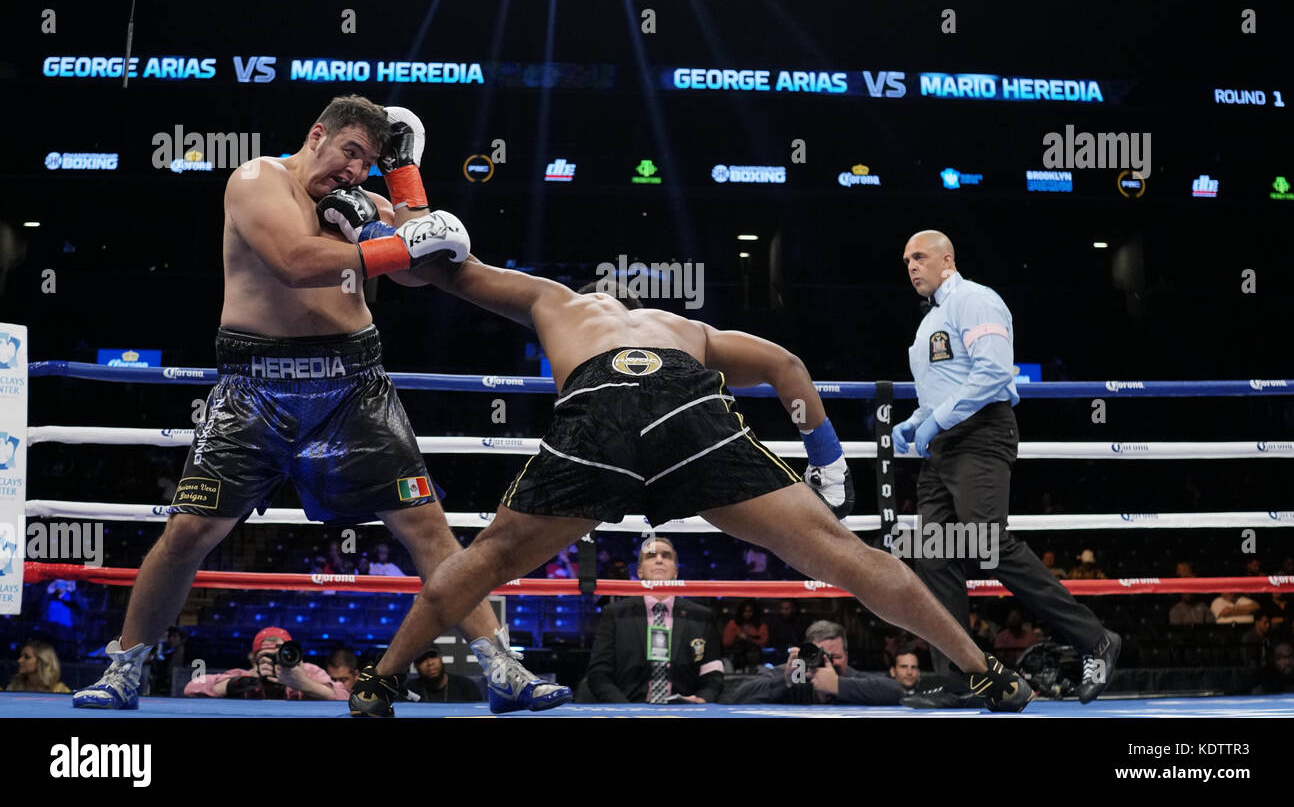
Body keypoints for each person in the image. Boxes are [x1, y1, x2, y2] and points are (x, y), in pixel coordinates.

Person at [332, 247, 1031, 715]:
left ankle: (379, 681)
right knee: (844, 555)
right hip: (686, 397)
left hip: (597, 404)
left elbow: (448, 270)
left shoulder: (555, 302)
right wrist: (829, 464)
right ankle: (985, 672)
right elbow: (789, 365)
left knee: (485, 559)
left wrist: (383, 234)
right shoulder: (686, 325)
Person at [72, 96, 567, 714]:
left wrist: (405, 180)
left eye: (369, 163)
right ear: (317, 135)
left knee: (429, 530)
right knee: (188, 533)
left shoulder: (365, 201)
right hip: (254, 388)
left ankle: (503, 670)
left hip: (353, 386)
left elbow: (424, 269)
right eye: (351, 153)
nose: (355, 172)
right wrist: (390, 246)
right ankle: (124, 669)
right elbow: (293, 261)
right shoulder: (258, 179)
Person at [890, 230, 1119, 706]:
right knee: (935, 555)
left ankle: (1094, 639)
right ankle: (964, 679)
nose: (911, 266)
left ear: (947, 259)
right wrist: (913, 422)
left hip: (979, 435)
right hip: (943, 445)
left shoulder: (976, 300)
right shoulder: (927, 323)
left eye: (919, 256)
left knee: (987, 543)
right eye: (906, 260)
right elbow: (940, 392)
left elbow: (994, 372)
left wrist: (933, 421)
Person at [585, 536, 724, 704]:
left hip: (685, 711)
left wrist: (700, 701)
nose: (659, 560)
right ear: (639, 571)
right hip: (628, 709)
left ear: (676, 571)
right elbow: (598, 673)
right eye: (651, 556)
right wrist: (624, 710)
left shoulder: (701, 616)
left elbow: (713, 675)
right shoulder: (615, 614)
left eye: (666, 556)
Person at [732, 620, 904, 705]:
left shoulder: (850, 676)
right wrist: (784, 681)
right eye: (820, 656)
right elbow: (740, 695)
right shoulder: (796, 675)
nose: (827, 662)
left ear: (846, 656)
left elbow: (896, 691)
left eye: (835, 656)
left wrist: (837, 685)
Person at [184, 627, 345, 700]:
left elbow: (347, 698)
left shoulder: (309, 673)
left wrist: (304, 683)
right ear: (254, 660)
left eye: (281, 656)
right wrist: (244, 682)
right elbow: (192, 687)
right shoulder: (245, 677)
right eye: (267, 657)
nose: (276, 663)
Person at [408, 650, 483, 703]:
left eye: (432, 656)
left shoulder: (466, 687)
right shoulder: (409, 690)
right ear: (416, 665)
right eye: (422, 659)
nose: (430, 663)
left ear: (441, 658)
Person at [5, 641, 71, 693]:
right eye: (21, 656)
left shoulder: (60, 690)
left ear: (42, 661)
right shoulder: (15, 686)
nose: (19, 660)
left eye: (27, 657)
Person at [721, 599, 770, 667]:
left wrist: (748, 639)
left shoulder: (761, 625)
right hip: (735, 659)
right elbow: (726, 643)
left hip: (756, 660)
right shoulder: (732, 624)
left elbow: (764, 642)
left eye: (750, 611)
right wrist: (737, 638)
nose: (747, 614)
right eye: (744, 611)